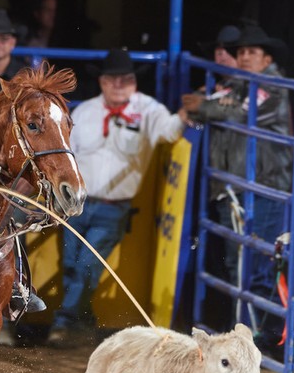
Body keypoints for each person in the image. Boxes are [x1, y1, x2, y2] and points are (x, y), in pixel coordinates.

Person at [47, 49, 189, 347]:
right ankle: (83, 319)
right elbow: (67, 153)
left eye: (125, 79)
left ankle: (64, 322)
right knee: (73, 264)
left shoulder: (148, 110)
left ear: (134, 82)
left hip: (113, 207)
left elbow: (169, 131)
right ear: (102, 82)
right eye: (112, 79)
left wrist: (185, 116)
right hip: (77, 202)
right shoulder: (85, 113)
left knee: (86, 264)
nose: (118, 85)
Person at [181, 24, 292, 351]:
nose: (244, 57)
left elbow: (243, 115)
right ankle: (248, 335)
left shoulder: (271, 86)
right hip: (244, 188)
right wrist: (205, 104)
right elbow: (227, 107)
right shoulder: (242, 85)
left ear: (266, 59)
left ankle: (261, 339)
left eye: (251, 52)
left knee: (255, 264)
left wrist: (202, 106)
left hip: (265, 188)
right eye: (240, 52)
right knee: (239, 263)